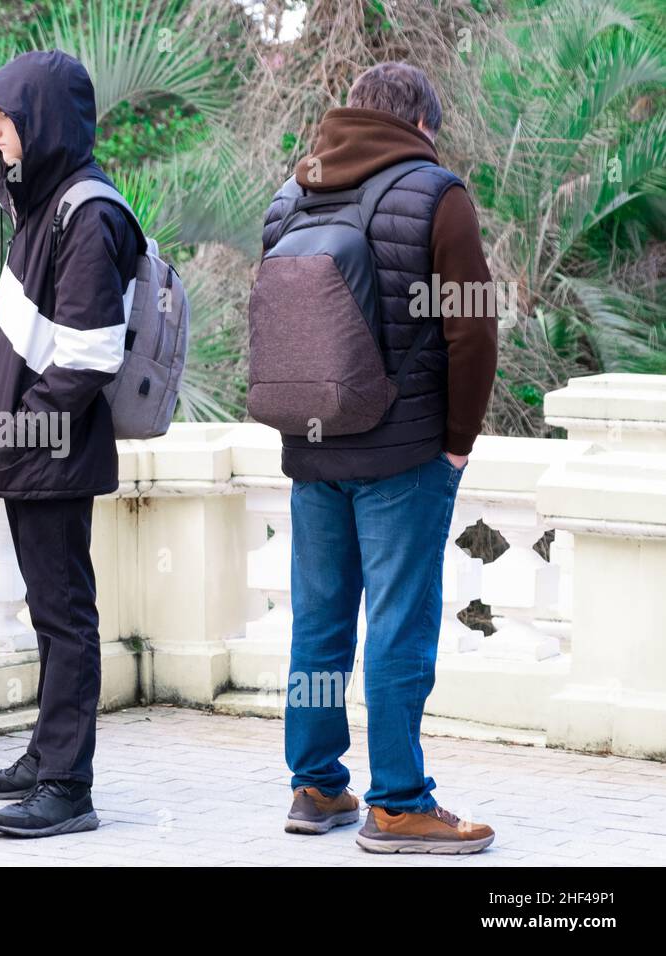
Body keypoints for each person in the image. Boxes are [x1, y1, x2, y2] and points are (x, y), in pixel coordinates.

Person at [270, 62, 500, 853]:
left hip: (313, 446)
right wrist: (458, 442)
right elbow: (472, 328)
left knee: (320, 622)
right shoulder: (439, 193)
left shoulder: (288, 197)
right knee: (399, 624)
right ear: (421, 124)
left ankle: (315, 784)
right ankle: (399, 803)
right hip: (403, 455)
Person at [0, 49, 142, 838]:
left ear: (40, 118)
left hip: (52, 455)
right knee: (49, 612)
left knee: (67, 616)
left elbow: (92, 354)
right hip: (32, 451)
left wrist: (22, 427)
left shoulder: (86, 214)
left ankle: (68, 785)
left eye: (3, 114)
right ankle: (45, 755)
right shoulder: (46, 208)